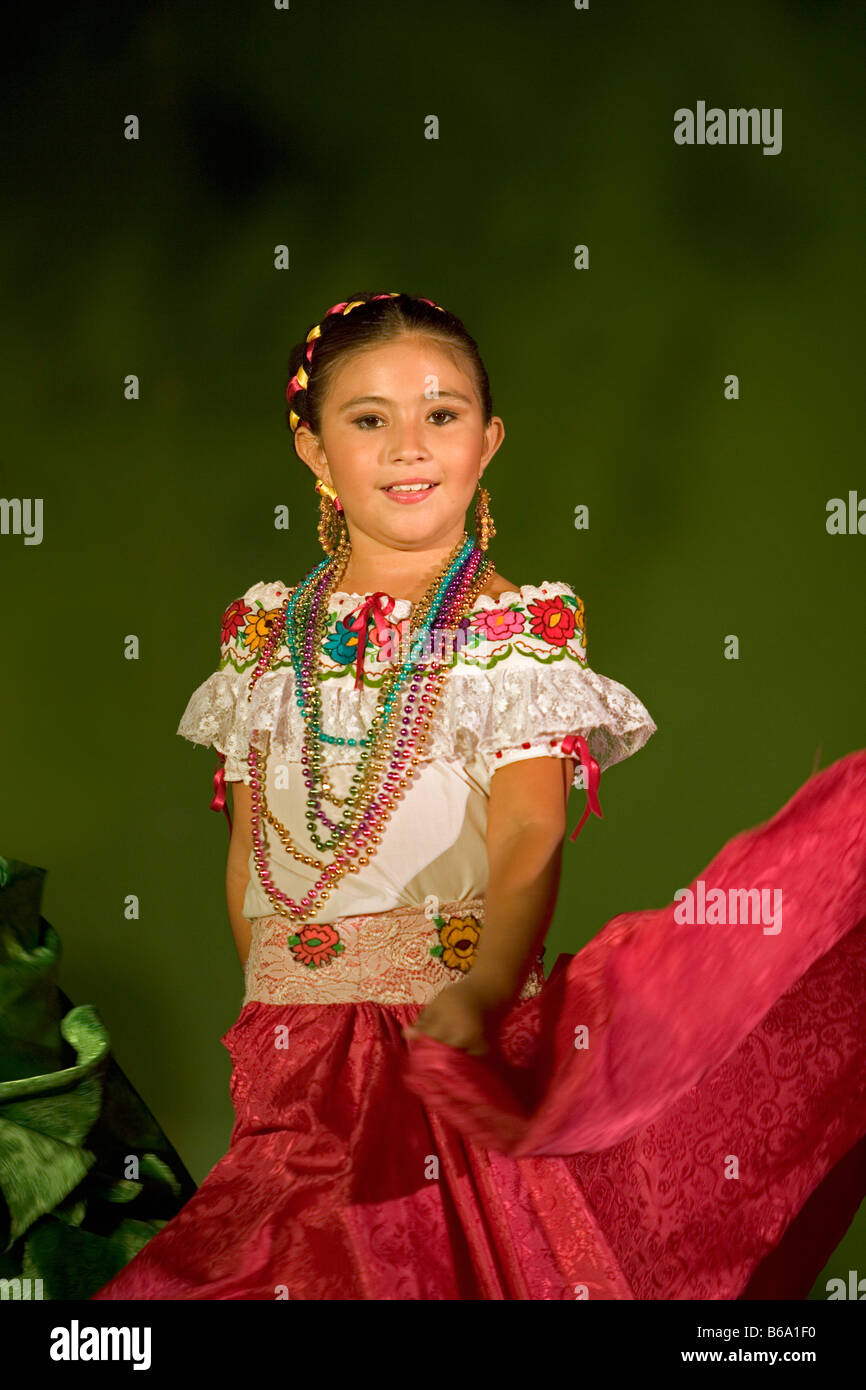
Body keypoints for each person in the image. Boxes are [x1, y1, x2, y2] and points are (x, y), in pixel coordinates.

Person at [92, 291, 866, 1301]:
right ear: (312, 451)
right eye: (368, 419)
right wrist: (283, 1014)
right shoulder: (262, 638)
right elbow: (251, 846)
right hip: (296, 1060)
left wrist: (483, 985)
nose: (408, 446)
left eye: (441, 415)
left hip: (436, 1043)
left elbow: (528, 829)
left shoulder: (510, 633)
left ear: (487, 441)